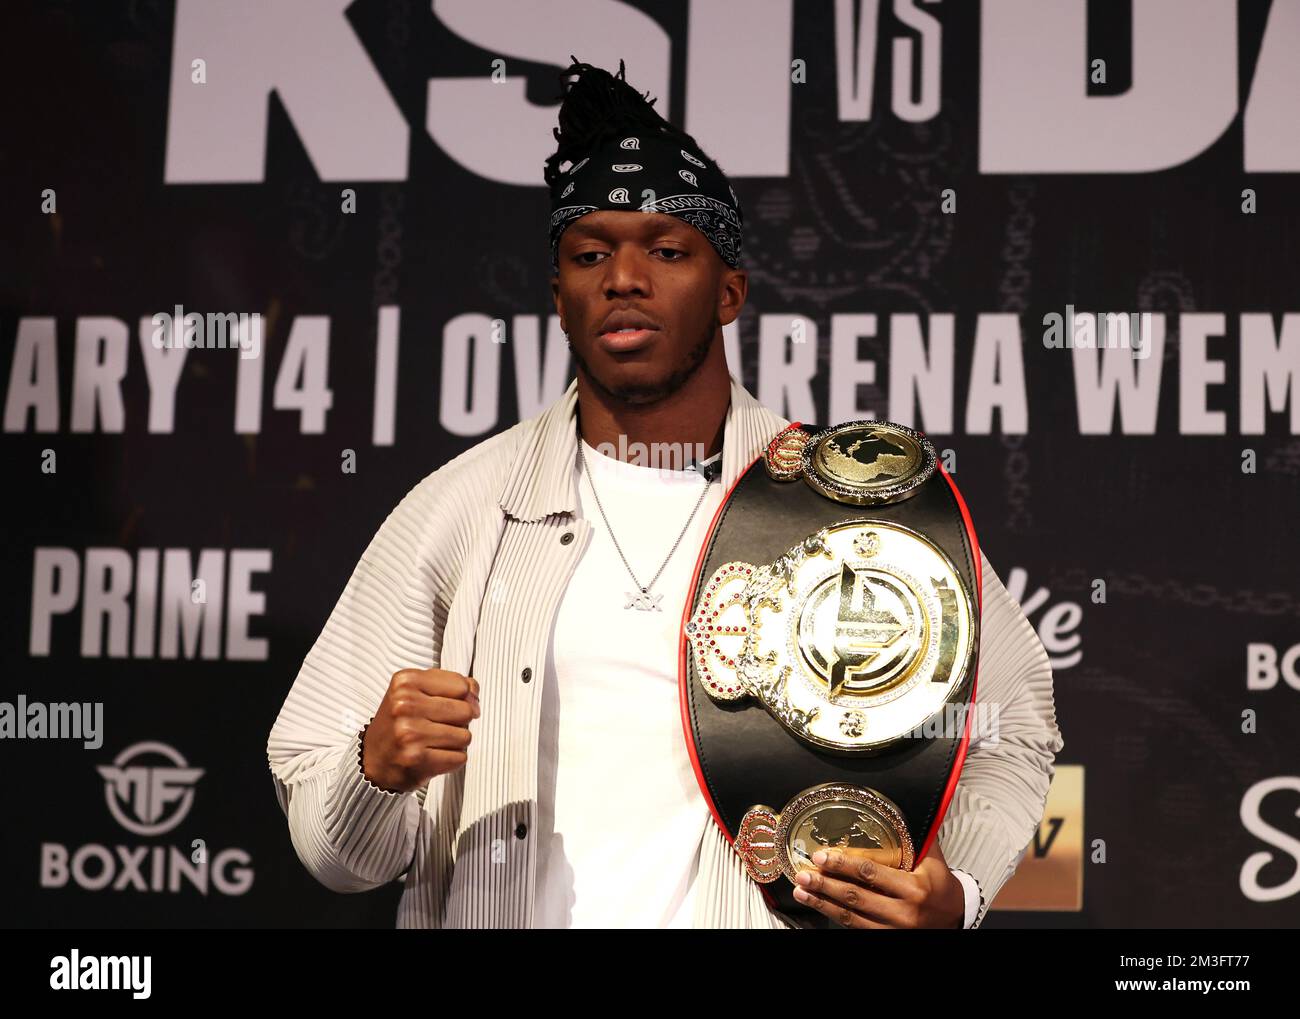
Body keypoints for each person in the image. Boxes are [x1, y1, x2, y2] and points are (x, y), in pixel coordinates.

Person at [267, 57, 1064, 929]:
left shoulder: (847, 505)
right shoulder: (458, 511)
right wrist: (372, 771)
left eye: (667, 249)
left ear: (730, 293)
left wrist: (962, 894)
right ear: (560, 295)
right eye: (591, 253)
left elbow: (1014, 725)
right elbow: (335, 850)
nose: (624, 278)